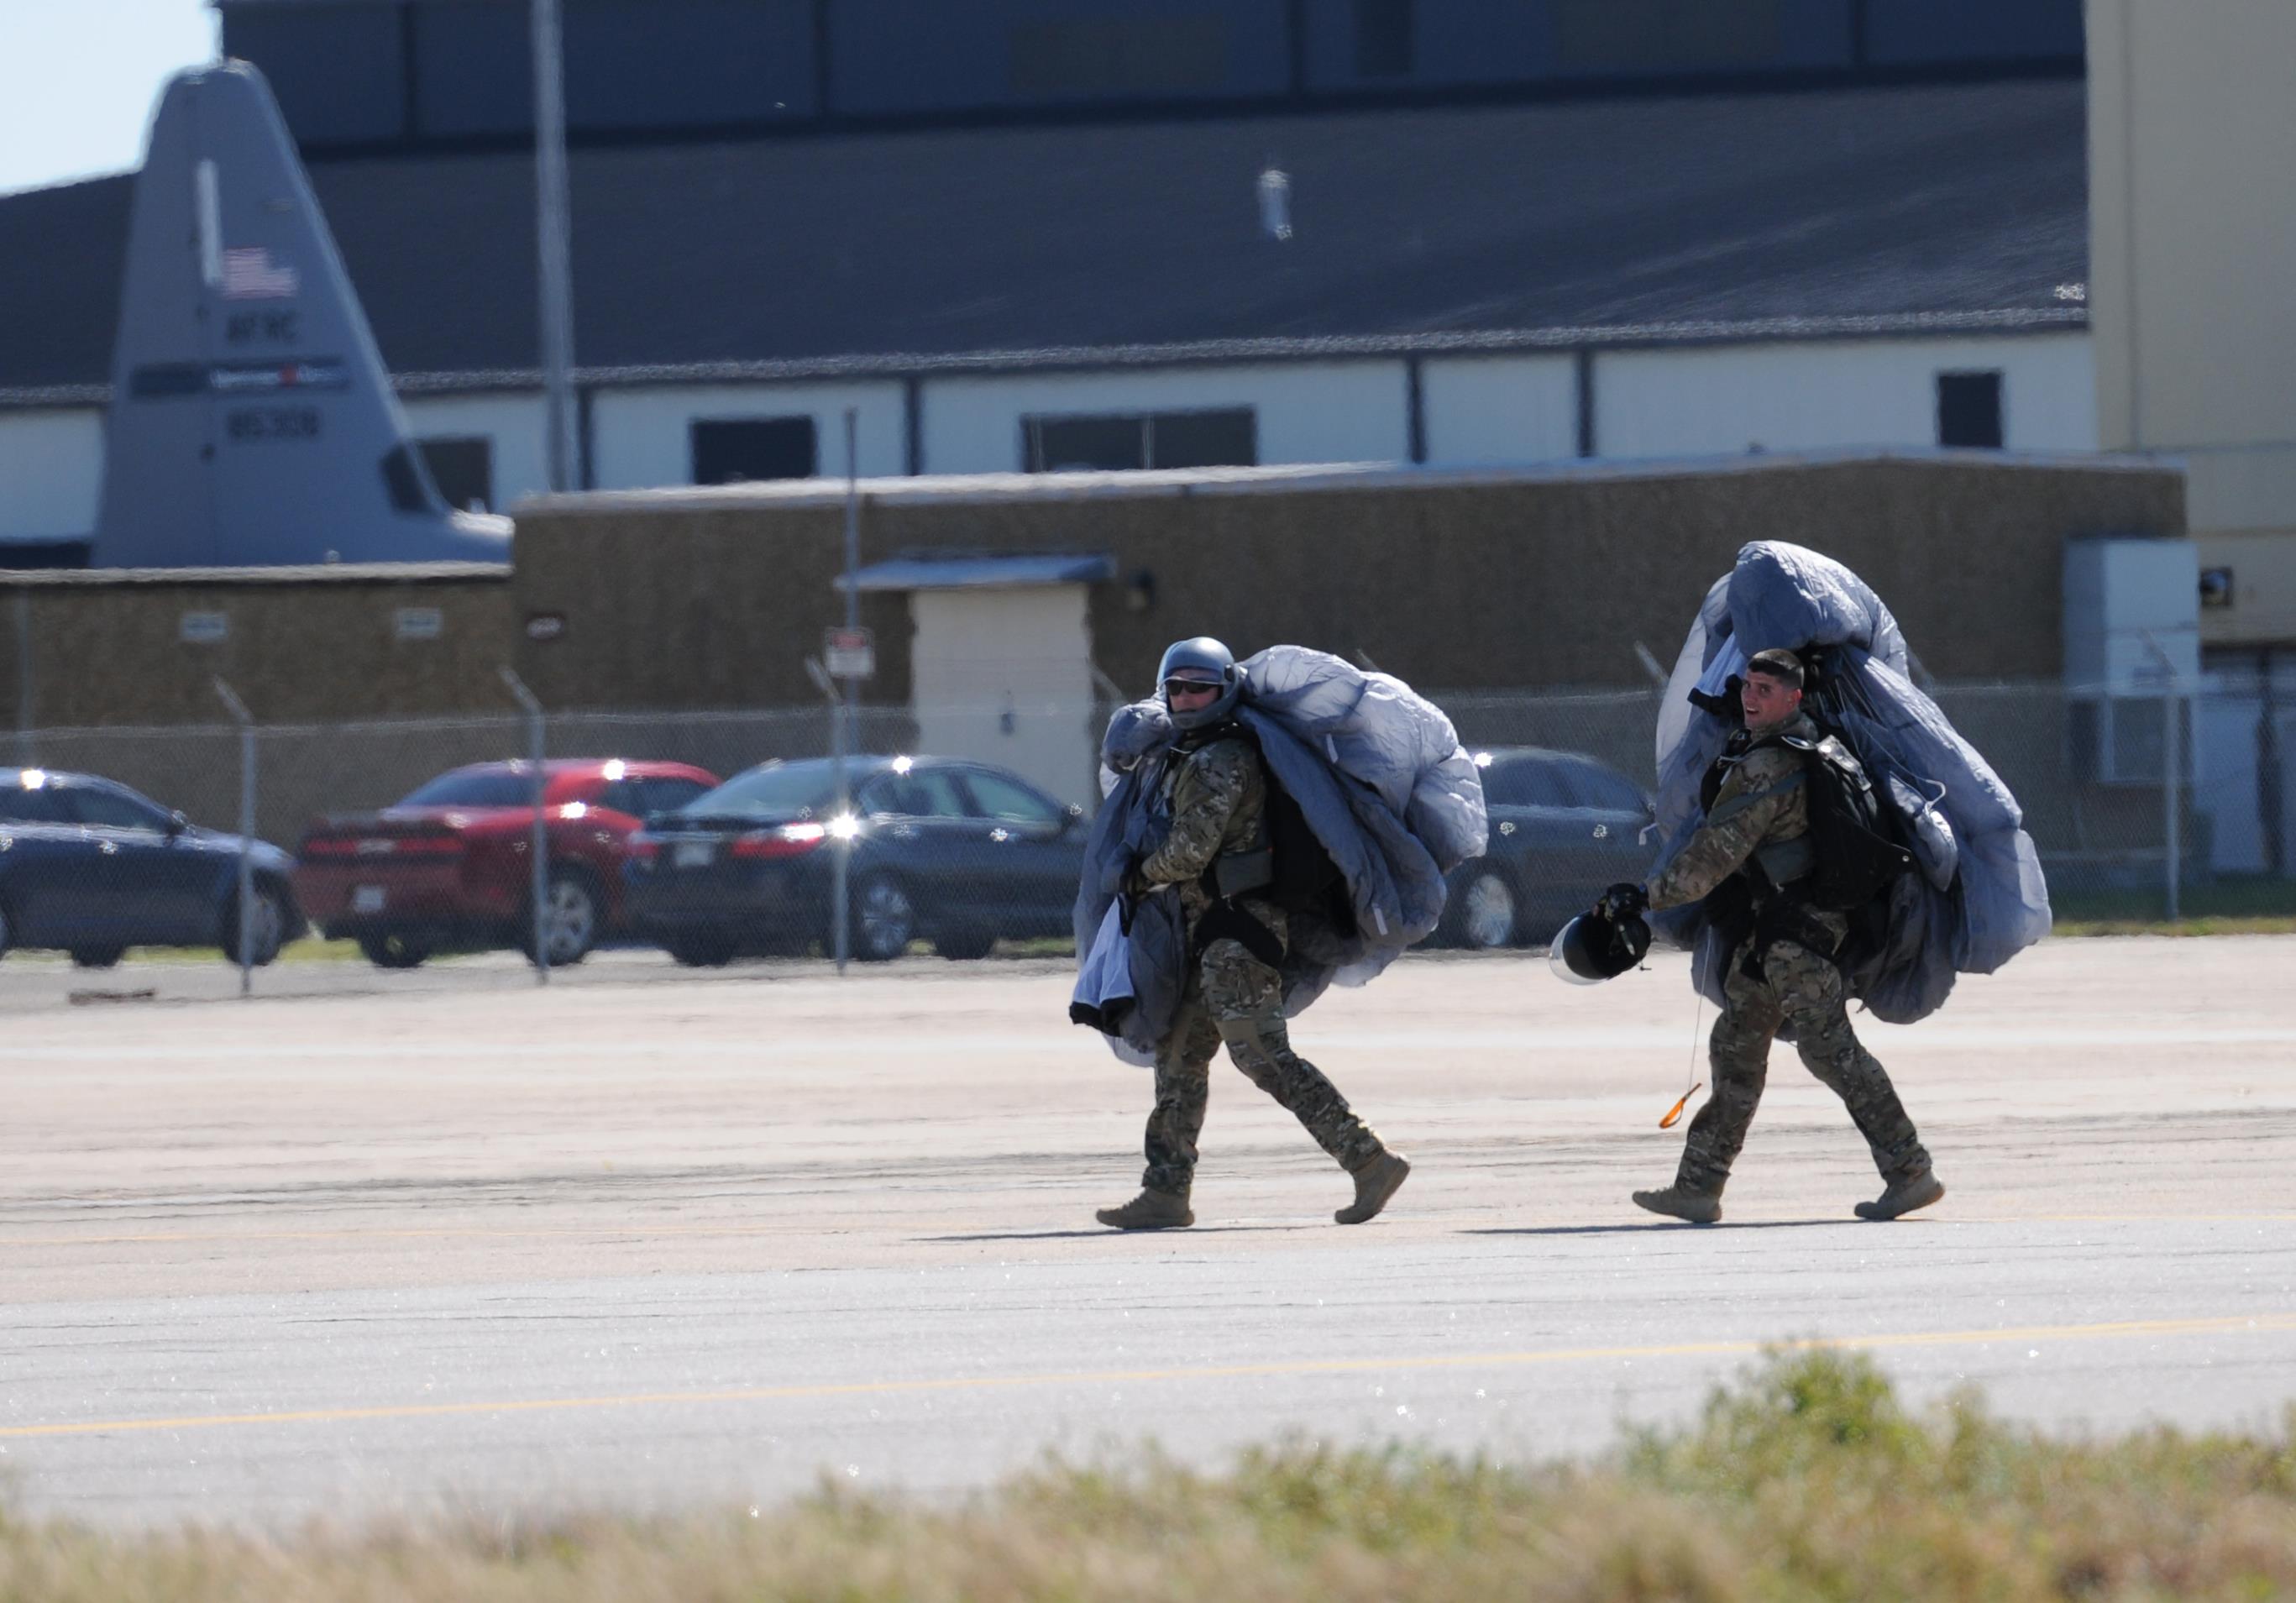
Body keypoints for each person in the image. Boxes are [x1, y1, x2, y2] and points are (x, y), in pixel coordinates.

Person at [1606, 647, 1942, 1224]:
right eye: (1749, 685)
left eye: (1766, 688)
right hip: (1780, 934)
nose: (1752, 696)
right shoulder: (1808, 742)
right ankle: (1699, 1185)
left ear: (1794, 697)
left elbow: (1717, 850)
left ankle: (1910, 1169)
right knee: (1737, 1045)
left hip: (1798, 937)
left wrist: (1646, 895)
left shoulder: (1770, 763)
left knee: (1831, 1050)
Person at [1095, 637, 1413, 1231]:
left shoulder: (1220, 758)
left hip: (1239, 931)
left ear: (1224, 691)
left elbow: (1190, 851)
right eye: (1179, 688)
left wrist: (1137, 875)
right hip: (1209, 931)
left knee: (1262, 1054)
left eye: (1201, 687)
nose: (1188, 698)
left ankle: (1368, 1158)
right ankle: (1165, 1189)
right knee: (1179, 1056)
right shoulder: (1188, 753)